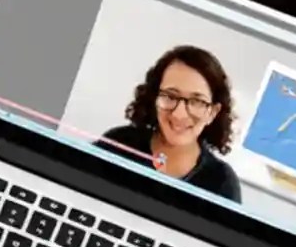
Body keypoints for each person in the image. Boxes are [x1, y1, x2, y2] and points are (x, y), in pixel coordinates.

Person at [97, 45, 243, 203]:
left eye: (196, 101)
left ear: (212, 112)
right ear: (154, 98)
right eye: (170, 96)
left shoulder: (222, 184)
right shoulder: (117, 144)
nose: (179, 114)